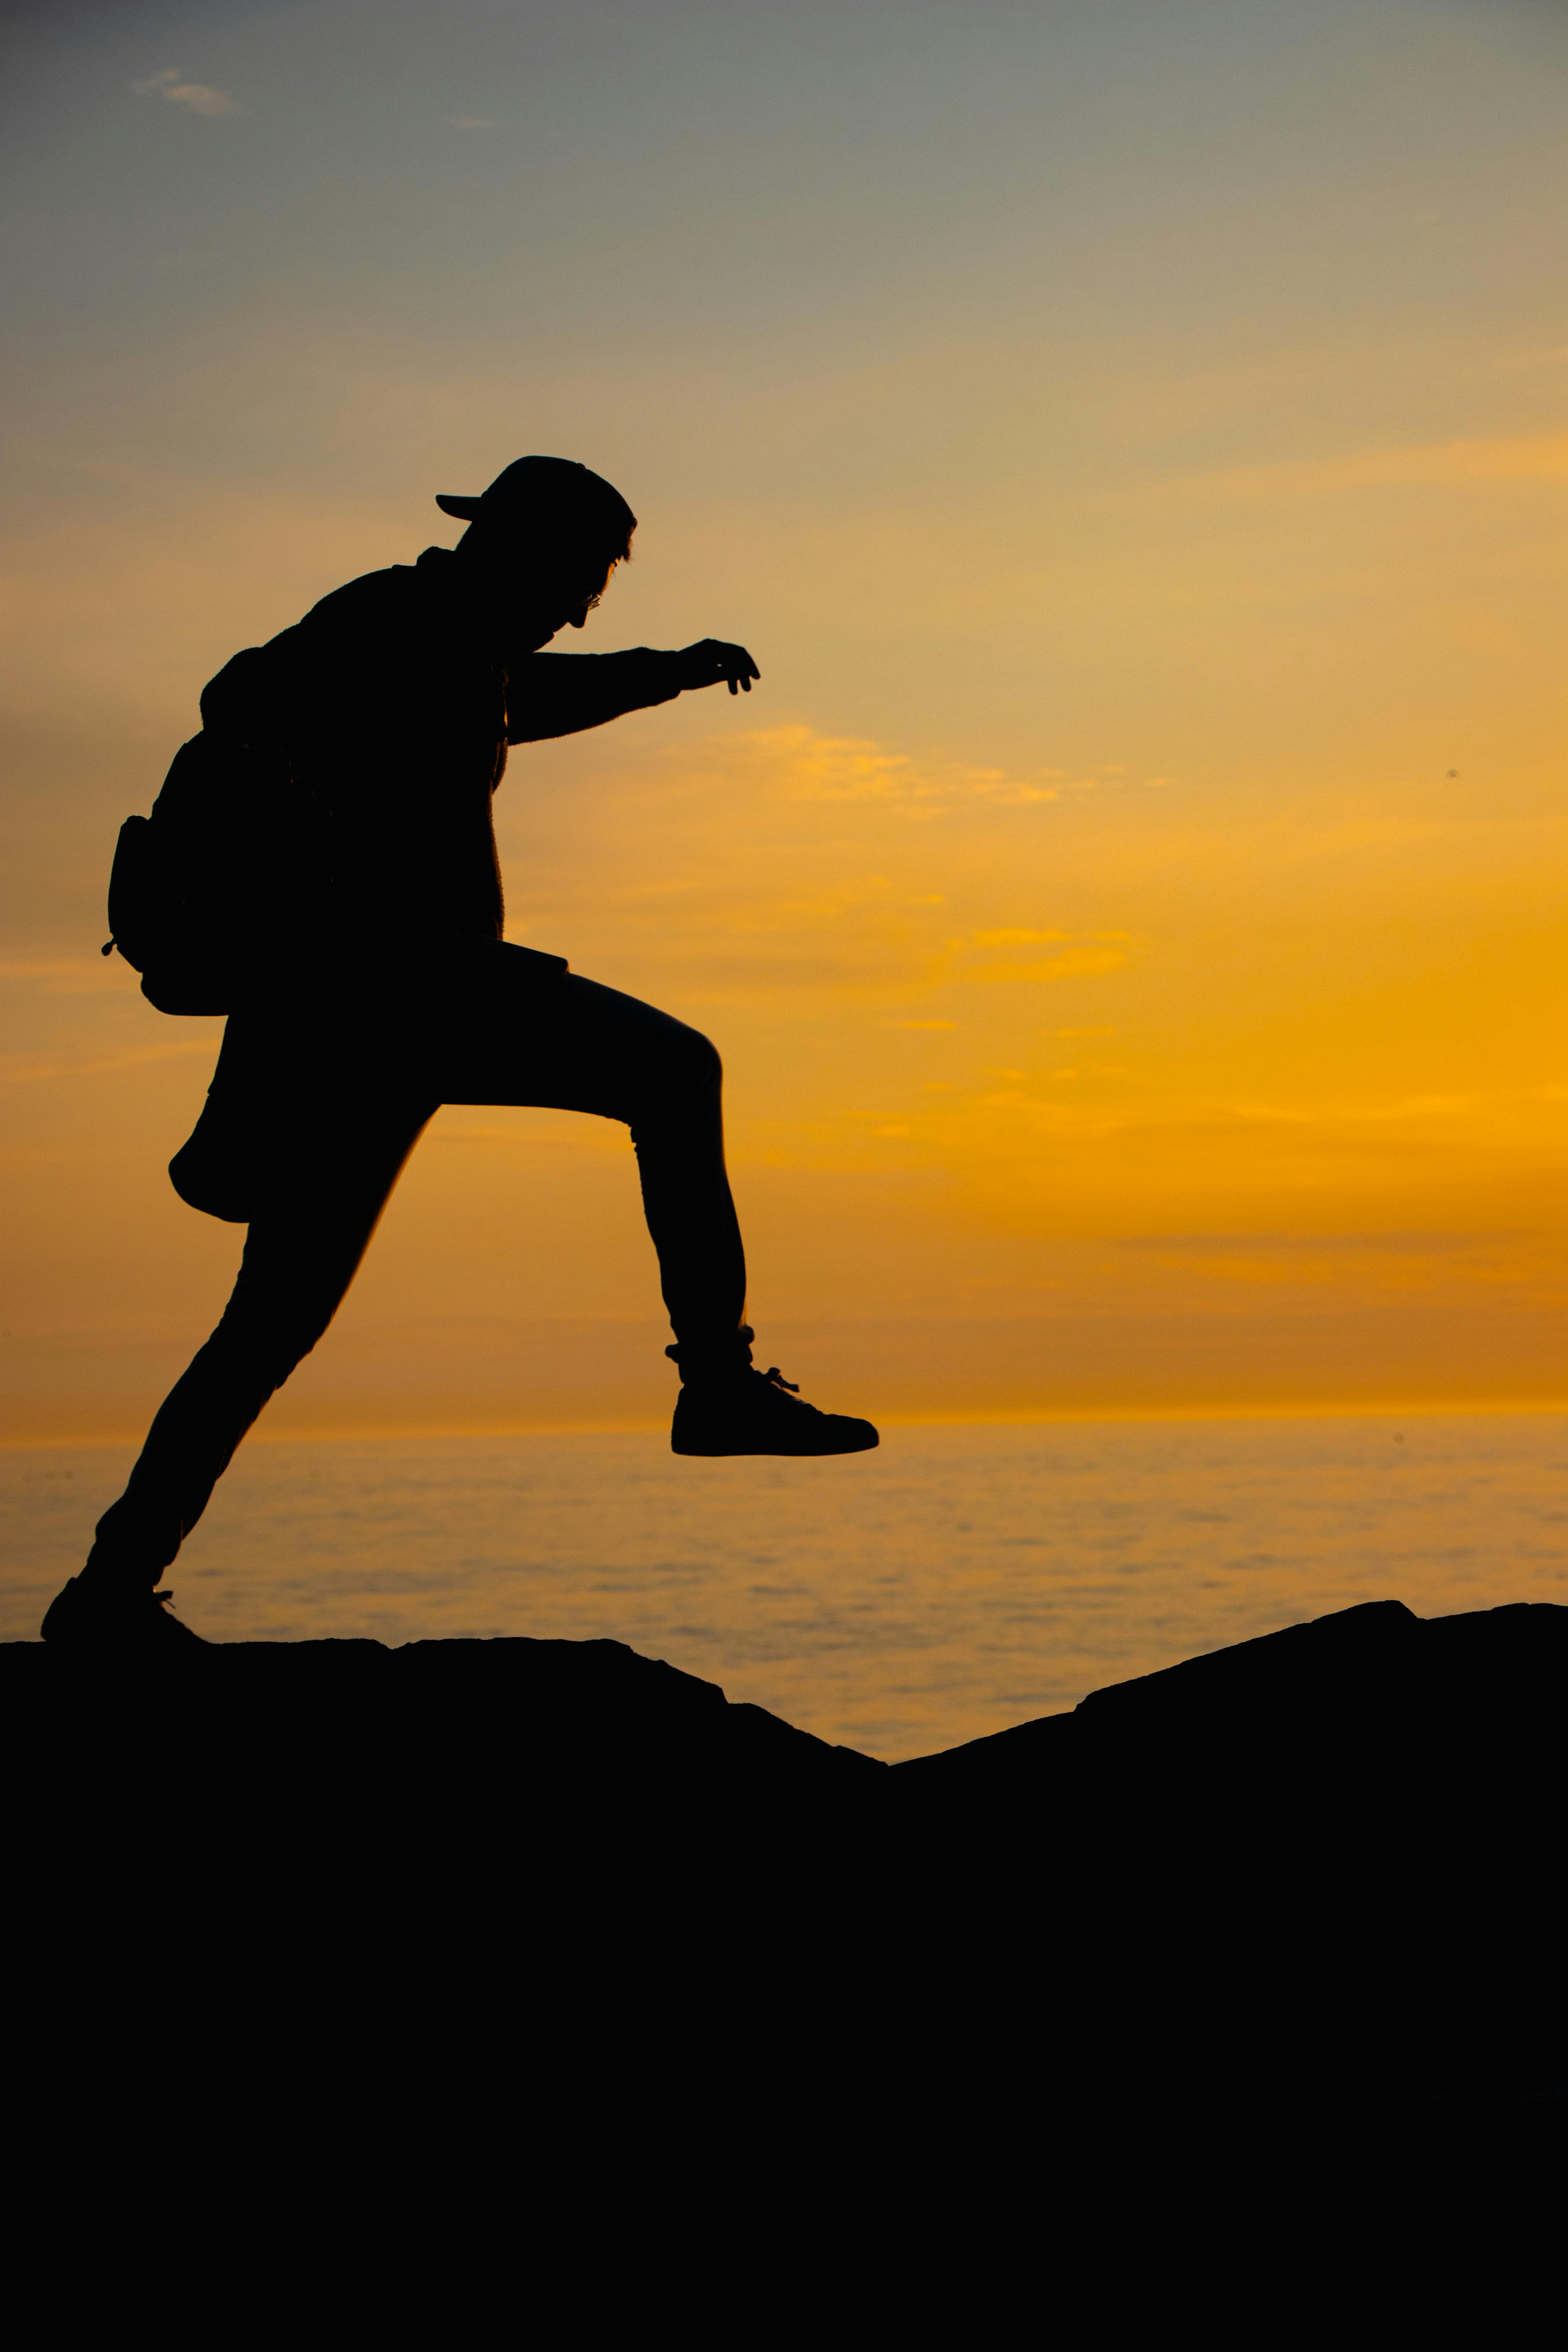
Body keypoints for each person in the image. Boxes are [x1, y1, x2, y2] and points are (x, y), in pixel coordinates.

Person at [43, 456, 878, 1650]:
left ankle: (107, 1592)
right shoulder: (397, 619)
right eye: (582, 579)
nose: (584, 608)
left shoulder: (460, 653)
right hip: (395, 998)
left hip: (379, 1019)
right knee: (675, 1072)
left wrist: (667, 673)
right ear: (524, 550)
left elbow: (529, 700)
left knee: (269, 1326)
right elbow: (241, 695)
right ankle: (715, 1381)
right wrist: (315, 848)